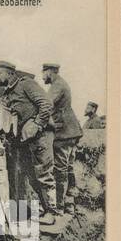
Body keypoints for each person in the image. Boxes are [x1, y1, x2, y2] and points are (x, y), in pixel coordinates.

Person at [0, 60, 57, 224]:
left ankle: (52, 214)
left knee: (44, 173)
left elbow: (46, 104)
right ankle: (45, 209)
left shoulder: (26, 84)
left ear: (10, 73)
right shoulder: (8, 92)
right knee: (32, 175)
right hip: (27, 139)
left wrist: (37, 123)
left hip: (41, 135)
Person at [42, 63, 83, 214]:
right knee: (68, 168)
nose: (42, 76)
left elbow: (46, 103)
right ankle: (69, 204)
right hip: (72, 132)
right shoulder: (61, 83)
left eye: (43, 73)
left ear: (49, 72)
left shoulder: (57, 85)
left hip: (64, 133)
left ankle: (59, 207)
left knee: (60, 170)